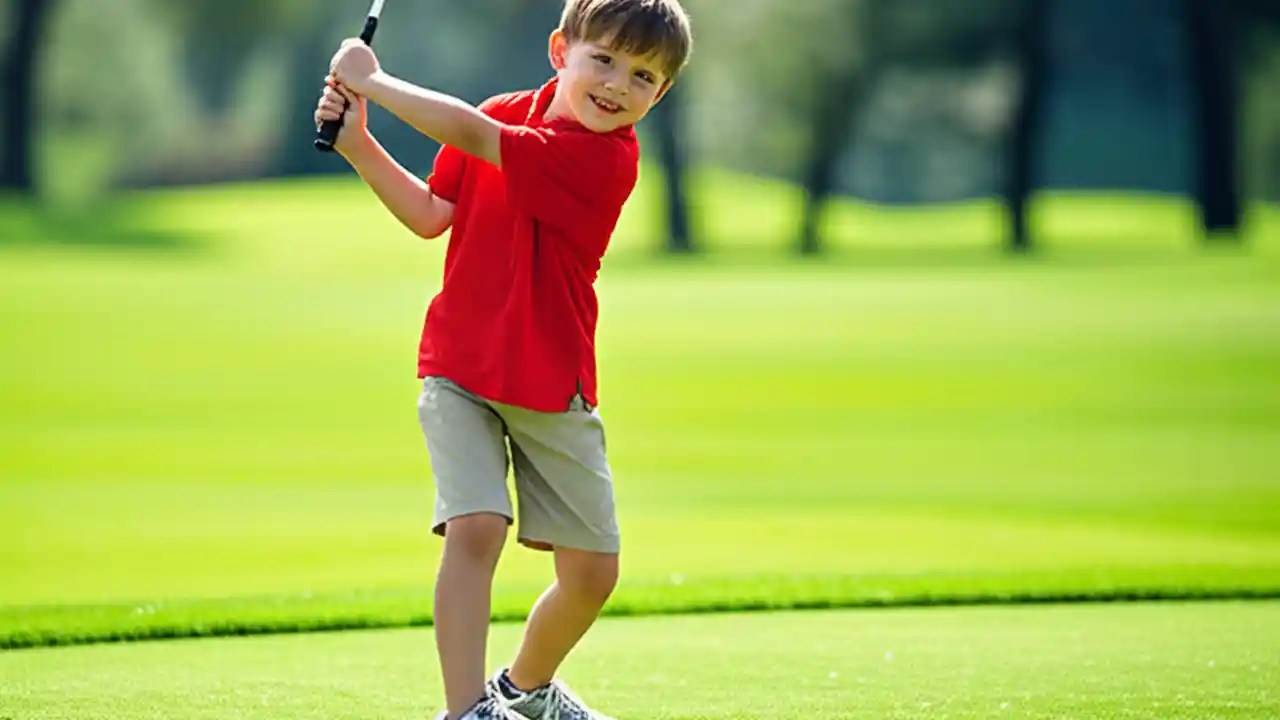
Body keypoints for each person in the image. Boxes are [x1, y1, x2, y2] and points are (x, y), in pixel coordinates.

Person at [315, 1, 693, 718]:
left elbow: (470, 132)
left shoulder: (606, 158)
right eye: (604, 59)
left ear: (660, 94)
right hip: (459, 364)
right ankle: (466, 712)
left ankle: (525, 689)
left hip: (553, 383)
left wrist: (377, 81)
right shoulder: (503, 111)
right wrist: (359, 144)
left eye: (642, 76)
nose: (617, 85)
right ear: (562, 50)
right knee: (476, 526)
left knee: (592, 575)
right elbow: (432, 215)